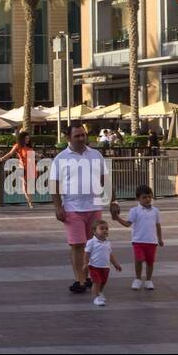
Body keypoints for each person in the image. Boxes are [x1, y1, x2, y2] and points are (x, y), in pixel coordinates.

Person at [51, 123, 118, 294]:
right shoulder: (60, 158)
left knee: (92, 243)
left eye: (83, 135)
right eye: (77, 136)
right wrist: (58, 207)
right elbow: (54, 185)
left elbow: (106, 181)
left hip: (94, 206)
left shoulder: (95, 155)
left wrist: (113, 202)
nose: (81, 139)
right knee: (77, 245)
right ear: (68, 138)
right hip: (73, 207)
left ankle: (87, 275)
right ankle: (80, 280)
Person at [114, 184, 163, 289]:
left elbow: (158, 226)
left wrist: (160, 239)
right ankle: (137, 279)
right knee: (139, 260)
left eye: (149, 197)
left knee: (150, 262)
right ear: (138, 198)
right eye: (144, 197)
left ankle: (149, 280)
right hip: (138, 241)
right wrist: (117, 218)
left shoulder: (155, 211)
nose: (147, 199)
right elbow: (128, 224)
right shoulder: (134, 211)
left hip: (151, 241)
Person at [84, 219, 122, 307]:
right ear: (94, 231)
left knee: (103, 282)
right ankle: (96, 297)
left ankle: (100, 292)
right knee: (97, 281)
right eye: (102, 228)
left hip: (105, 267)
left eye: (106, 228)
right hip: (94, 266)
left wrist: (116, 264)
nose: (105, 230)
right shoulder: (91, 242)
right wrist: (85, 263)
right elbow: (86, 253)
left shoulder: (107, 242)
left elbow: (110, 254)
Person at [0, 130, 36, 208]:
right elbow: (10, 153)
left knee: (31, 186)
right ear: (22, 139)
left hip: (32, 167)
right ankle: (30, 202)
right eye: (26, 139)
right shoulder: (17, 146)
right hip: (23, 167)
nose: (27, 140)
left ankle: (30, 201)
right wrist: (2, 159)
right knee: (25, 184)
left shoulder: (29, 147)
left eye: (28, 138)